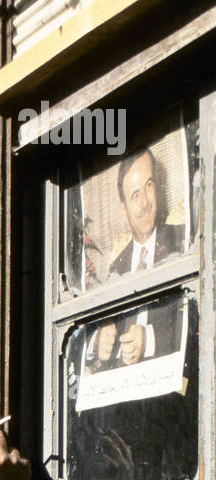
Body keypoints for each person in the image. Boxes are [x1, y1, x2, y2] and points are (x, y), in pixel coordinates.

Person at [91, 147, 184, 369]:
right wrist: (98, 341)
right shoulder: (116, 266)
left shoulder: (182, 240)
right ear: (123, 210)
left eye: (148, 186)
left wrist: (149, 338)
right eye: (134, 195)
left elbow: (199, 314)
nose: (144, 203)